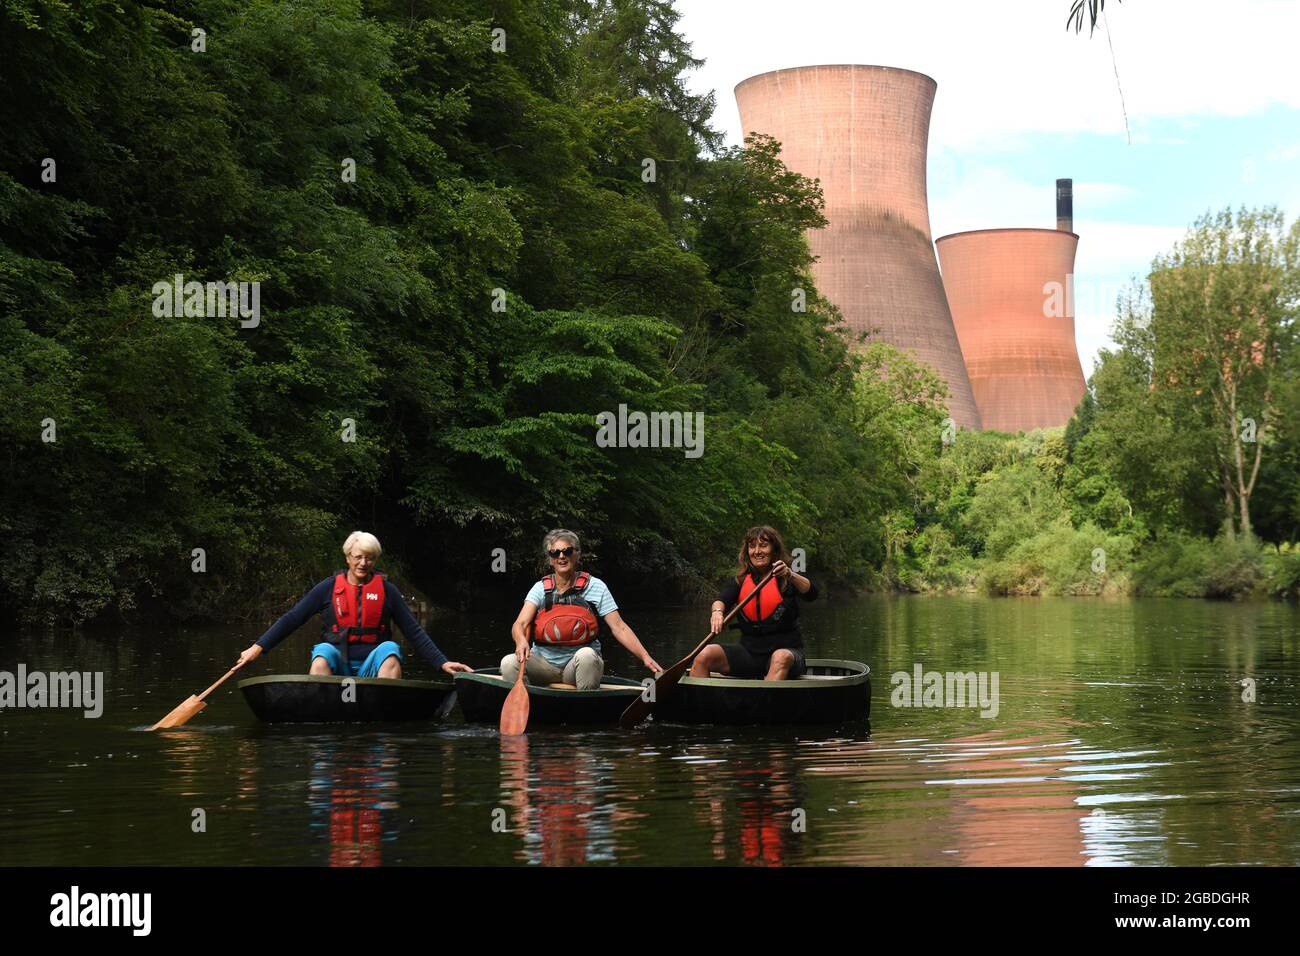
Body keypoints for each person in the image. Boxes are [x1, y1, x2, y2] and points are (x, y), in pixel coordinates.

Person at [236, 531, 470, 678]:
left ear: (375, 559)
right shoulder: (327, 588)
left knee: (390, 651)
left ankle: (383, 709)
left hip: (372, 667)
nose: (363, 563)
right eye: (358, 557)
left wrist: (442, 663)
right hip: (338, 664)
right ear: (347, 557)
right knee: (322, 653)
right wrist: (257, 648)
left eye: (369, 558)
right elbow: (292, 618)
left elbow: (413, 631)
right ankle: (320, 707)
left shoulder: (387, 591)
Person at [504, 529, 661, 690]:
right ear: (550, 560)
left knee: (587, 656)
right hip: (544, 665)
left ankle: (584, 707)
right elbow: (520, 624)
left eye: (567, 551)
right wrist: (520, 640)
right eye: (555, 553)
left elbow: (619, 627)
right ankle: (529, 703)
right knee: (508, 663)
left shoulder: (596, 586)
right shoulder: (539, 588)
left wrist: (645, 657)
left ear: (577, 555)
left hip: (579, 665)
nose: (561, 556)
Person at [691, 525, 817, 681]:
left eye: (763, 546)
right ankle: (702, 704)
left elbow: (812, 594)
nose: (757, 551)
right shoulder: (741, 579)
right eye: (752, 546)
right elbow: (721, 600)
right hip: (749, 653)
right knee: (704, 655)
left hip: (788, 654)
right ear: (747, 551)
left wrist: (790, 574)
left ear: (774, 549)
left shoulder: (788, 575)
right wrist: (717, 612)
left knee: (780, 657)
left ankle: (764, 703)